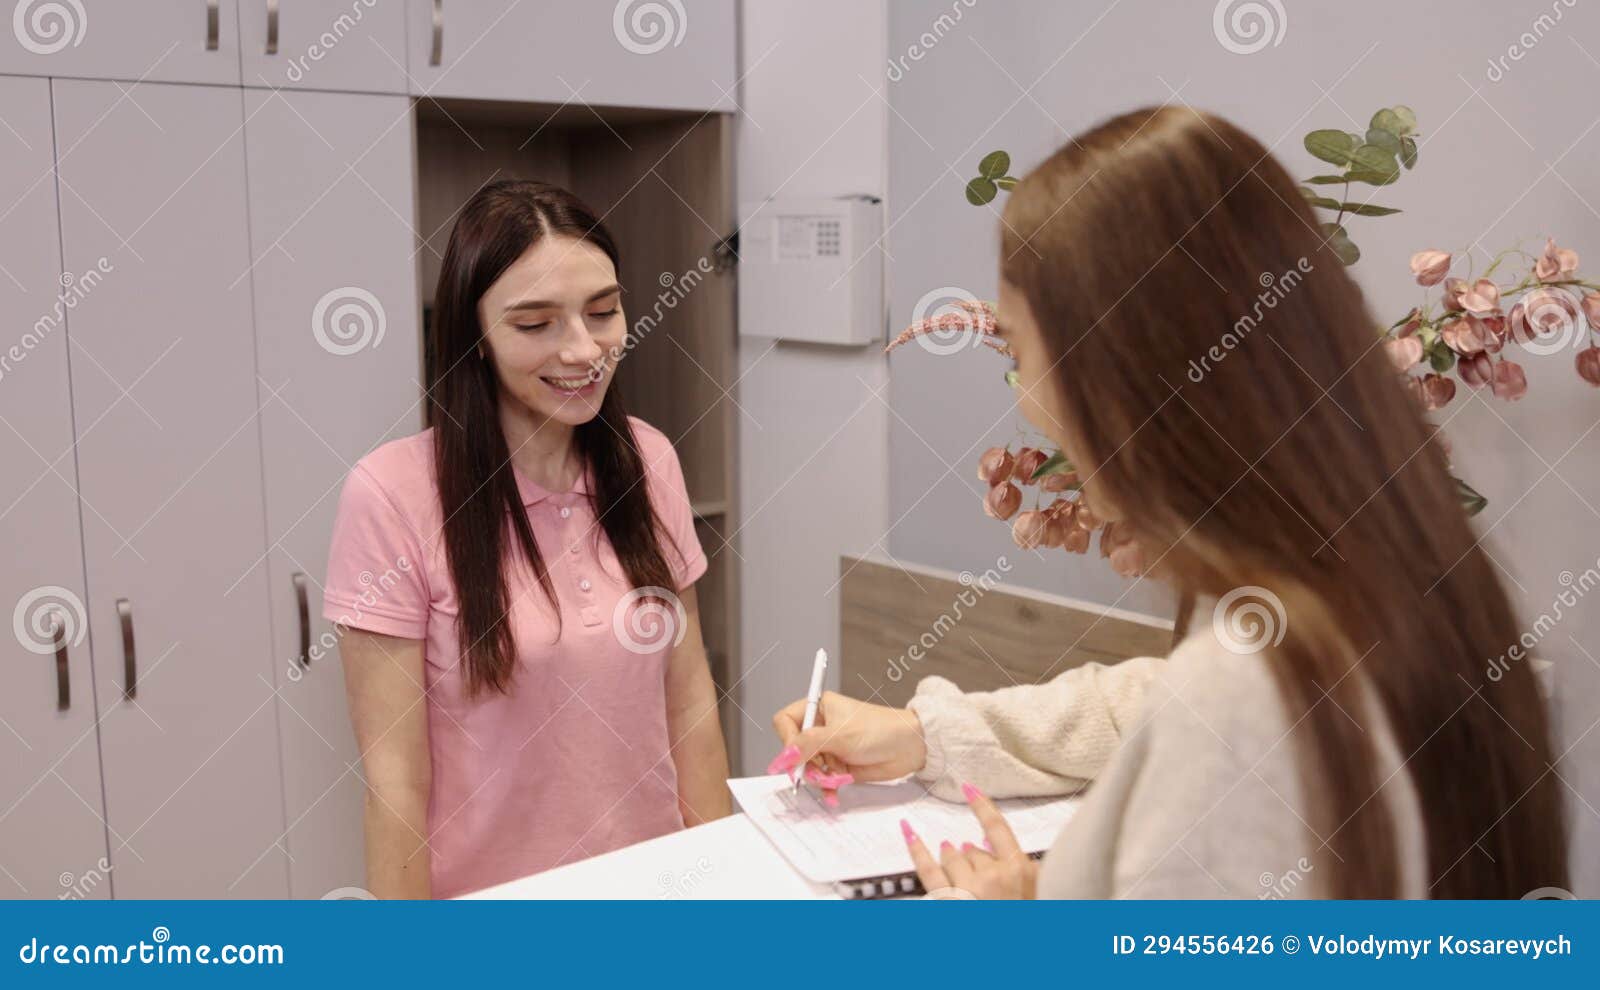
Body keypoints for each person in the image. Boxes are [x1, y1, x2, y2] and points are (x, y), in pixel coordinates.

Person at [770, 106, 1567, 899]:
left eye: (1019, 350)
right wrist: (927, 736)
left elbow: (1210, 723)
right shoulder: (1395, 583)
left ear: (1122, 371)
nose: (1025, 402)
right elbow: (1152, 707)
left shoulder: (1245, 696)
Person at [325, 180, 730, 899]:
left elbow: (689, 700)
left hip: (660, 892)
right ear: (473, 337)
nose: (584, 349)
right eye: (535, 324)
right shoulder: (392, 495)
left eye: (603, 312)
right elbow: (395, 782)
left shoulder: (649, 460)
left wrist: (726, 892)